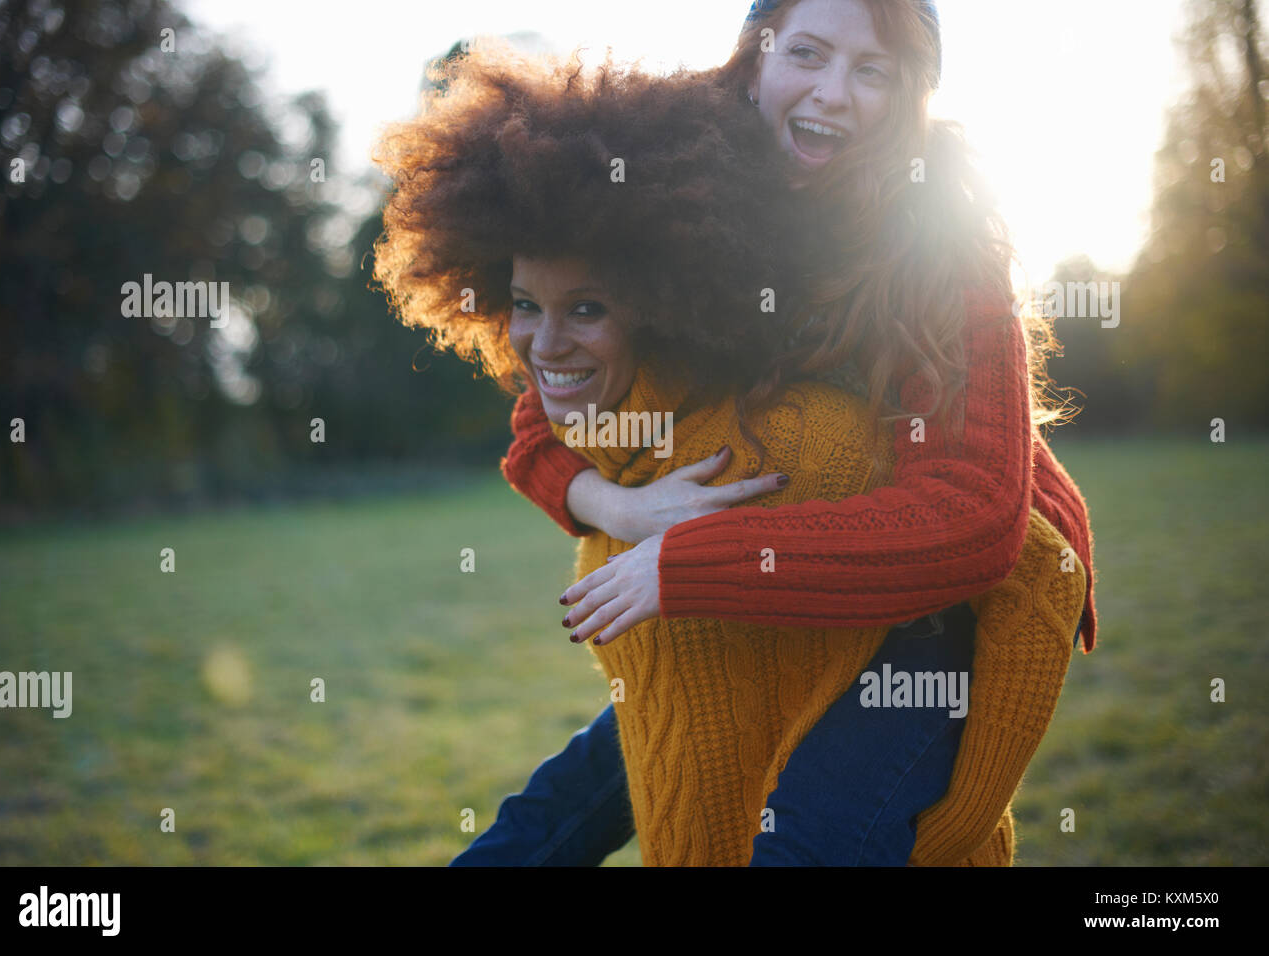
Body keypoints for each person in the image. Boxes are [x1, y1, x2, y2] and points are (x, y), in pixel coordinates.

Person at [371, 38, 1086, 866]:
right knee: (583, 791)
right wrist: (621, 507)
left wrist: (682, 562)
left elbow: (974, 517)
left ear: (910, 96)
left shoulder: (939, 239)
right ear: (756, 64)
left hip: (928, 594)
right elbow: (545, 415)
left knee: (808, 839)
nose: (833, 92)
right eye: (808, 54)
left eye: (873, 71)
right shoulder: (697, 194)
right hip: (756, 585)